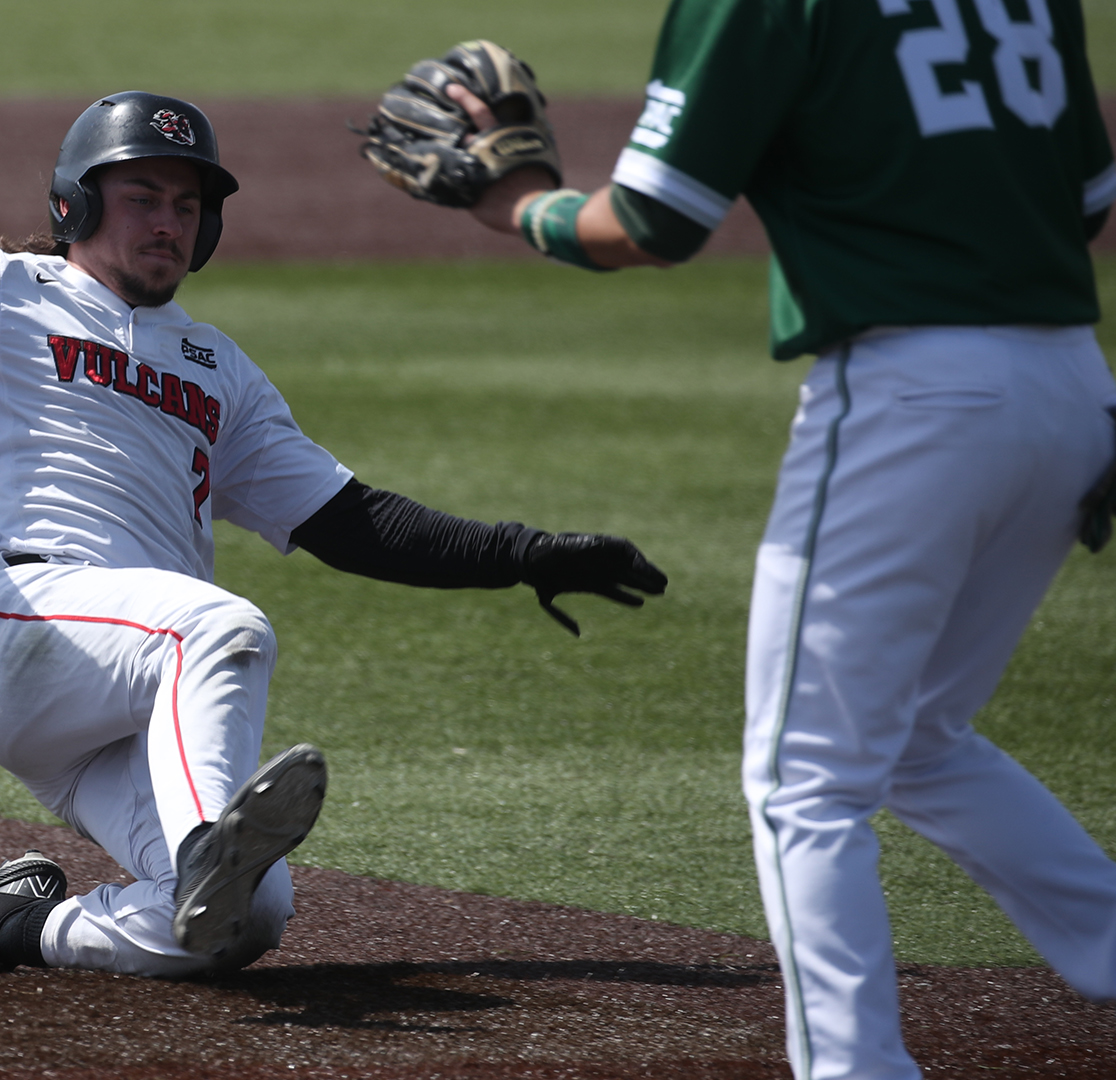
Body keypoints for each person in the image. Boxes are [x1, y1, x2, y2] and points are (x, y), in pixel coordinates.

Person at [0, 91, 667, 979]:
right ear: (77, 201)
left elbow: (354, 524)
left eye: (187, 204)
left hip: (128, 690)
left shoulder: (218, 370)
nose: (168, 220)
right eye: (142, 195)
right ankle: (199, 852)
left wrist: (522, 553)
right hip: (19, 624)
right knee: (220, 628)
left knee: (244, 920)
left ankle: (10, 925)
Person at [359, 17, 1116, 1079]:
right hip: (1075, 385)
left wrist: (514, 202)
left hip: (912, 396)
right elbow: (1086, 204)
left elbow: (653, 222)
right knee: (918, 736)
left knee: (801, 781)